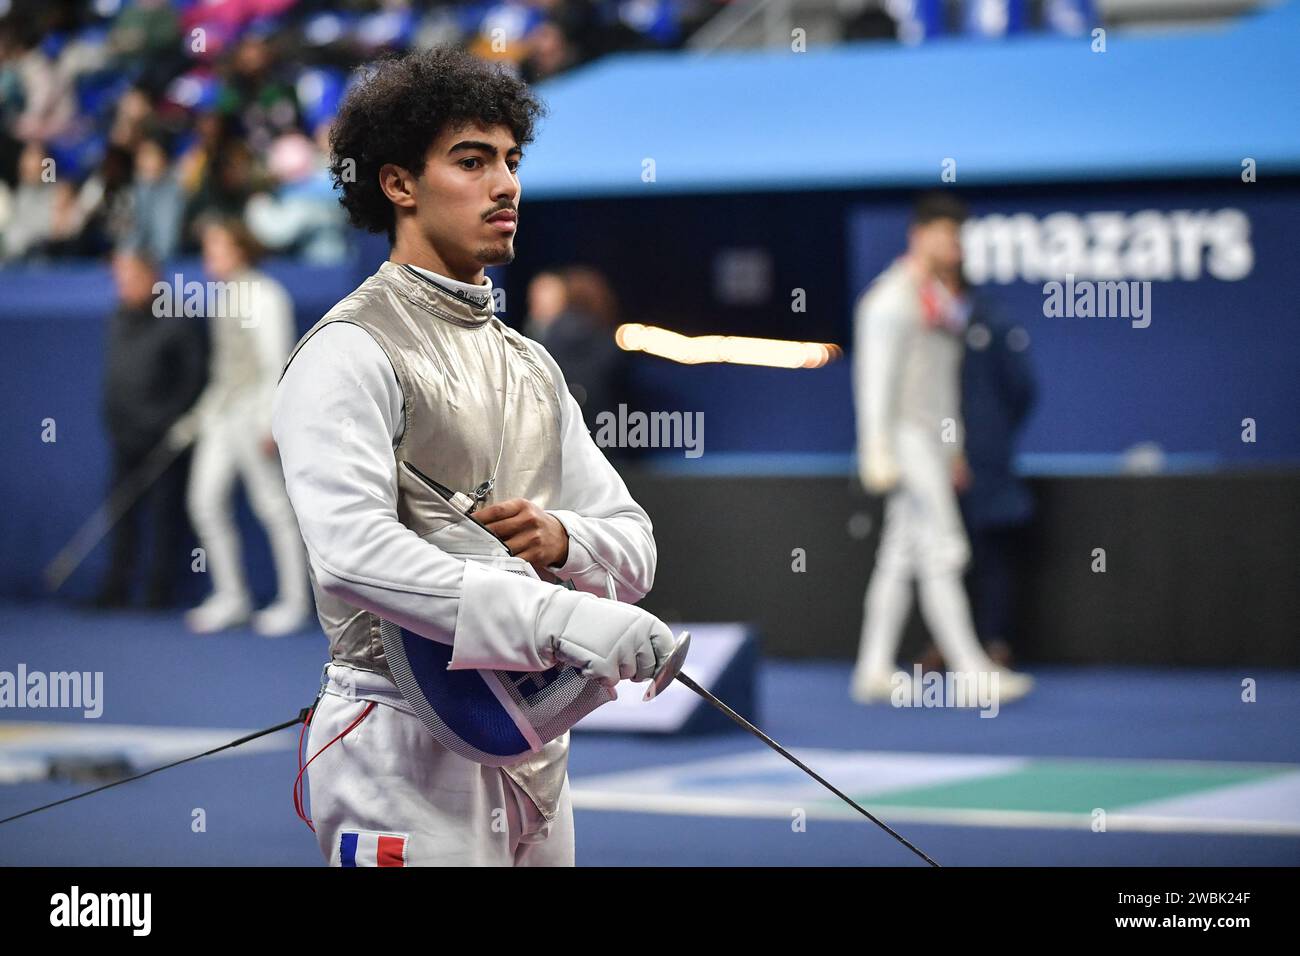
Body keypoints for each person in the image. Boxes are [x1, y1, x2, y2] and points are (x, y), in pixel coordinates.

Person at [272, 47, 674, 867]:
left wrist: (564, 539)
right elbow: (351, 555)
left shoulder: (531, 364)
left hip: (528, 738)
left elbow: (632, 542)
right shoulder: (347, 350)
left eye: (512, 161)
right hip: (395, 743)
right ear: (397, 183)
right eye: (472, 160)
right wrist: (562, 617)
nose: (506, 185)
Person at [850, 192, 1033, 705]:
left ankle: (872, 668)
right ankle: (972, 670)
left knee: (899, 556)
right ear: (918, 235)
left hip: (932, 441)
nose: (952, 245)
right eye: (943, 234)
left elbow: (943, 385)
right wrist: (878, 452)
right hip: (905, 442)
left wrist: (953, 449)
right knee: (944, 550)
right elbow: (875, 384)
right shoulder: (890, 300)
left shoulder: (942, 301)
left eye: (957, 236)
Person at [167, 217, 312, 636]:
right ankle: (232, 596)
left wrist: (270, 423)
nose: (210, 256)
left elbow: (276, 363)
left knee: (272, 506)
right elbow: (225, 370)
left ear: (240, 250)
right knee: (204, 500)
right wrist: (197, 418)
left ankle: (294, 601)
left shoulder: (265, 296)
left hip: (254, 415)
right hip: (224, 416)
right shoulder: (224, 296)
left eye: (217, 247)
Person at [92, 249, 206, 609]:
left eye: (130, 277)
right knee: (122, 517)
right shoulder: (119, 317)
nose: (123, 285)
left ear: (152, 277)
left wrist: (166, 422)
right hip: (123, 436)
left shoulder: (178, 318)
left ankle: (158, 593)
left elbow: (195, 379)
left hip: (162, 442)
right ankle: (116, 588)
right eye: (119, 279)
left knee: (164, 518)